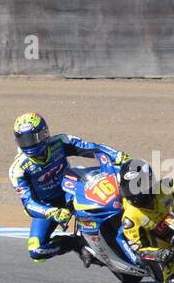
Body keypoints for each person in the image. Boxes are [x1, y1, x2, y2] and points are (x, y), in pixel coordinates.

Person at [8, 112, 130, 261]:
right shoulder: (18, 169)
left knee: (112, 192)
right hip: (50, 206)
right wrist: (51, 213)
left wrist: (116, 155)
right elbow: (28, 204)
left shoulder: (60, 141)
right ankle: (76, 244)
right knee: (36, 251)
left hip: (72, 188)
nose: (30, 144)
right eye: (24, 141)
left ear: (44, 133)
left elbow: (92, 148)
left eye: (33, 139)